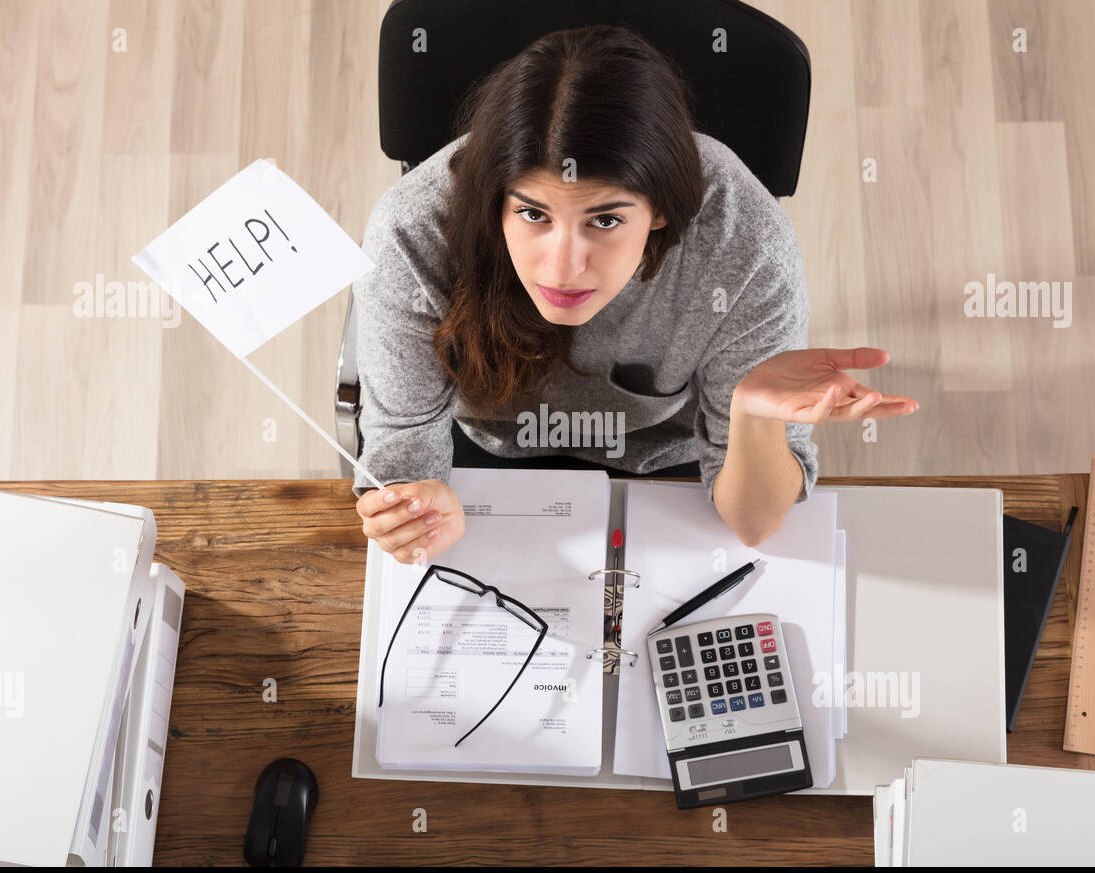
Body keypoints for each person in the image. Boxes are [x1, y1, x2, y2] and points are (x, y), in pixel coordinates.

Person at [353, 25, 918, 566]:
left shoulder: (744, 240)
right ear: (494, 199)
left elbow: (753, 524)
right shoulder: (413, 230)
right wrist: (415, 510)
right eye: (532, 213)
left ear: (662, 208)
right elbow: (405, 461)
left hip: (667, 454)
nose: (563, 266)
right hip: (486, 449)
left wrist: (751, 414)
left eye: (604, 219)